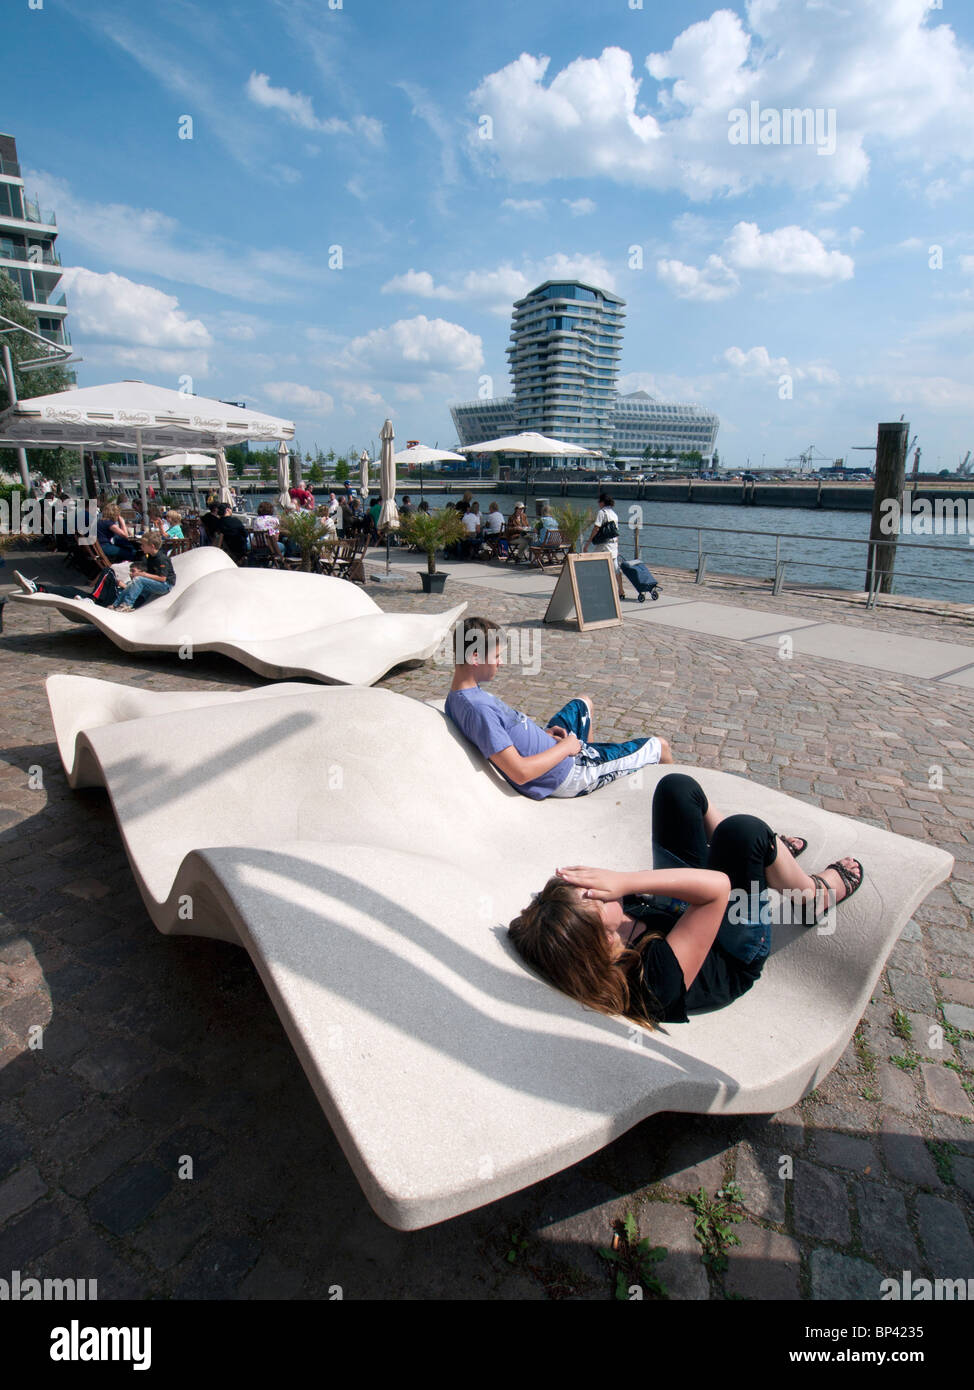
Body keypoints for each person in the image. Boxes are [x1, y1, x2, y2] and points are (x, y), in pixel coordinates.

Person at [508, 772, 865, 1029]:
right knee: (746, 834)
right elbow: (717, 889)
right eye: (595, 899)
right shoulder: (653, 979)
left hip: (676, 911)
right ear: (605, 940)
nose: (599, 889)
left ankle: (763, 861)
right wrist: (626, 881)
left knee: (678, 789)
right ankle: (811, 895)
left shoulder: (593, 932)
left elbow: (535, 929)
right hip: (729, 950)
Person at [445, 615, 672, 800]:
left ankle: (593, 763)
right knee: (660, 746)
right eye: (496, 656)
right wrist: (567, 748)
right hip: (567, 772)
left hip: (554, 748)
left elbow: (504, 735)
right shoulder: (478, 709)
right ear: (475, 658)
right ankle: (592, 770)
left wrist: (546, 736)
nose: (500, 662)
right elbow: (520, 772)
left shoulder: (459, 697)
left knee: (584, 703)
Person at [111, 531, 176, 610]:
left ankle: (127, 605)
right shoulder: (149, 556)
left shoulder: (161, 559)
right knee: (132, 582)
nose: (141, 547)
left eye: (143, 545)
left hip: (166, 585)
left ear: (152, 546)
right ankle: (115, 604)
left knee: (139, 580)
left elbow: (163, 578)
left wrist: (143, 575)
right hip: (156, 581)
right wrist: (138, 573)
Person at [585, 492, 625, 601]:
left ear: (602, 502)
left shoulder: (602, 513)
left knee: (594, 563)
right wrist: (617, 547)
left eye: (599, 501)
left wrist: (588, 542)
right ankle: (620, 589)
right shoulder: (614, 514)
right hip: (613, 544)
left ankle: (595, 588)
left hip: (604, 544)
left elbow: (596, 528)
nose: (598, 503)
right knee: (615, 567)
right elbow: (616, 532)